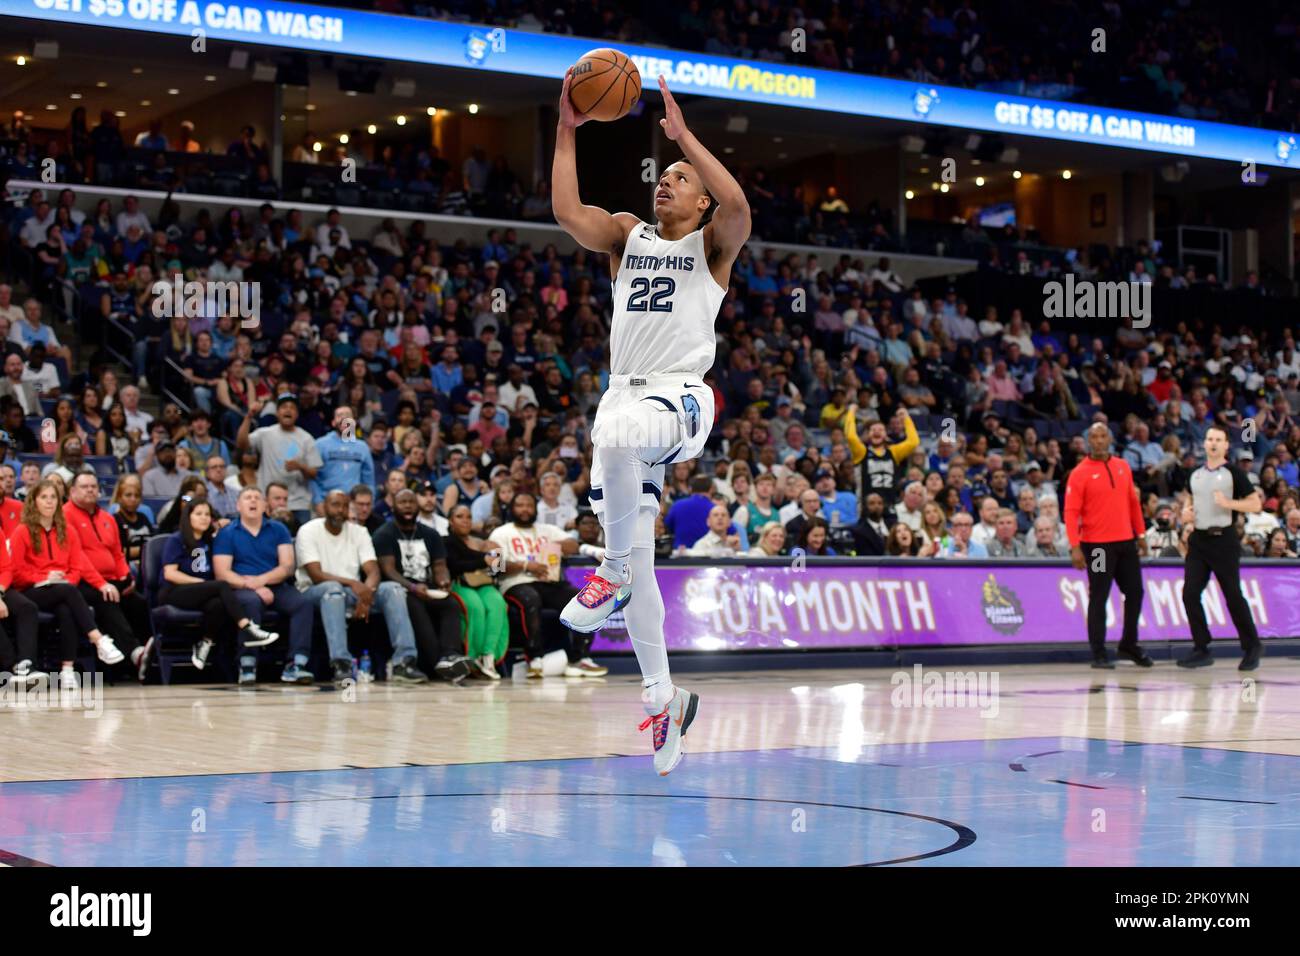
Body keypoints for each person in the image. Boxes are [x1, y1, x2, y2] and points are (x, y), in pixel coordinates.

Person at [551, 69, 746, 766]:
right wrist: (567, 129)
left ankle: (609, 570)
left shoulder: (712, 248)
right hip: (624, 394)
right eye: (661, 174)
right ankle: (665, 700)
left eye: (679, 178)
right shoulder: (625, 236)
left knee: (616, 435)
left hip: (682, 398)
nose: (665, 182)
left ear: (698, 205)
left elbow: (741, 204)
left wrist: (685, 136)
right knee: (638, 559)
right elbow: (567, 211)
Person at [8, 480, 144, 689]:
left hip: (61, 590)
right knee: (69, 593)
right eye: (43, 497)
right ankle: (99, 640)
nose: (49, 502)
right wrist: (42, 578)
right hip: (30, 590)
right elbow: (16, 571)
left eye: (53, 497)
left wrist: (69, 580)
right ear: (34, 502)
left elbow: (78, 565)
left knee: (66, 608)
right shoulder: (23, 531)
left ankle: (67, 670)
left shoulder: (68, 531)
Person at [297, 490, 429, 687]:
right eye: (334, 505)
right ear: (324, 507)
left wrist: (366, 596)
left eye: (344, 506)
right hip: (313, 592)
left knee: (393, 589)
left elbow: (373, 571)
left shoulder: (359, 532)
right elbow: (316, 575)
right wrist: (355, 585)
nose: (340, 510)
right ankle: (341, 664)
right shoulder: (308, 531)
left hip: (354, 592)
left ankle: (404, 662)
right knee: (333, 590)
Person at [1063, 422, 1152, 669]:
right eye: (1094, 437)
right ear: (1089, 441)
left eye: (1103, 436)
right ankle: (1099, 651)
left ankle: (1129, 644)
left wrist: (1141, 533)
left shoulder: (1123, 467)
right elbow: (1071, 512)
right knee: (1100, 595)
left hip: (1125, 542)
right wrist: (1075, 546)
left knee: (1135, 592)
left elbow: (1133, 504)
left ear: (1110, 439)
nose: (1099, 441)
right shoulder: (1079, 473)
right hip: (1098, 546)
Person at [1178, 425, 1264, 670]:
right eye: (1210, 439)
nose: (1213, 443)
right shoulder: (1195, 474)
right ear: (1204, 444)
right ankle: (1201, 647)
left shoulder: (1233, 473)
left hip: (1223, 540)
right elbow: (1189, 499)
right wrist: (1185, 512)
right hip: (1199, 540)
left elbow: (1256, 503)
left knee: (1232, 595)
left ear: (1226, 445)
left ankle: (1252, 645)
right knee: (1190, 593)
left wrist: (1229, 503)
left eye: (1218, 439)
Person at [491, 492, 604, 679]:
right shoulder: (501, 533)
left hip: (548, 582)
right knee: (531, 599)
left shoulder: (547, 530)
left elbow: (573, 545)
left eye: (529, 505)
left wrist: (552, 545)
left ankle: (580, 658)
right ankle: (534, 657)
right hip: (516, 583)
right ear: (512, 509)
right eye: (520, 505)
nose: (525, 509)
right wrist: (526, 565)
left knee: (583, 598)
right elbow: (496, 566)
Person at [160, 498, 280, 671]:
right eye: (198, 514)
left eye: (207, 514)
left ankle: (205, 642)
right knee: (221, 585)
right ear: (188, 517)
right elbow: (169, 573)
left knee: (218, 604)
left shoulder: (210, 541)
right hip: (174, 591)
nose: (204, 518)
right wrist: (201, 583)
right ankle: (247, 627)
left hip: (202, 591)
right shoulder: (177, 539)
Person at [373, 489, 480, 683]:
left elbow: (440, 566)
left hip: (427, 586)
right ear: (394, 507)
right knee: (416, 607)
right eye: (402, 502)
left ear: (418, 506)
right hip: (401, 589)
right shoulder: (384, 534)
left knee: (450, 603)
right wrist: (412, 588)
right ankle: (435, 662)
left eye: (411, 502)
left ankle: (451, 655)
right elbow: (389, 571)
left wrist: (443, 581)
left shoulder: (430, 534)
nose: (407, 506)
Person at [213, 486, 316, 685]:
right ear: (238, 505)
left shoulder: (278, 529)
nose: (252, 501)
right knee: (250, 603)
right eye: (247, 498)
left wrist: (262, 581)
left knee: (302, 603)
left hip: (274, 585)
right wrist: (252, 586)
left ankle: (297, 663)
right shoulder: (227, 533)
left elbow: (287, 566)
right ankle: (247, 663)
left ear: (265, 505)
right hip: (241, 586)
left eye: (257, 498)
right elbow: (222, 572)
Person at [64, 471, 155, 674]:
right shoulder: (65, 515)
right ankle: (134, 652)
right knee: (106, 597)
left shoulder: (106, 517)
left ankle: (150, 654)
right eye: (84, 486)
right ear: (72, 491)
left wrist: (127, 576)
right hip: (82, 581)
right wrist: (100, 583)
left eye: (93, 486)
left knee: (138, 602)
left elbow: (117, 552)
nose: (90, 490)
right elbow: (77, 556)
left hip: (111, 579)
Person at [441, 502, 508, 678]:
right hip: (460, 582)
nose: (465, 521)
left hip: (485, 583)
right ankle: (471, 658)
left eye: (469, 517)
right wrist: (482, 559)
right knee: (475, 607)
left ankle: (488, 655)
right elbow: (454, 565)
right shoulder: (446, 541)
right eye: (459, 517)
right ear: (450, 521)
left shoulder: (482, 542)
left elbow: (499, 570)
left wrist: (497, 552)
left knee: (498, 604)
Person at [237, 394, 322, 525]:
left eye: (292, 408)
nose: (288, 410)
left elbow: (314, 473)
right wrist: (249, 416)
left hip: (298, 503)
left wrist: (300, 467)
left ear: (297, 414)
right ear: (277, 413)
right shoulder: (264, 433)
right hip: (267, 502)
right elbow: (242, 444)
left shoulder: (306, 438)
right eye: (283, 407)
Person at [312, 405, 374, 512]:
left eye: (348, 415)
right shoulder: (320, 444)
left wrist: (369, 501)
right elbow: (312, 477)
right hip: (326, 502)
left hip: (354, 504)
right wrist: (318, 501)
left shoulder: (362, 447)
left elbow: (368, 480)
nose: (344, 419)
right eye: (340, 415)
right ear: (333, 422)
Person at [109, 473, 155, 561]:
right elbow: (119, 552)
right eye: (128, 495)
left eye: (137, 496)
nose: (133, 499)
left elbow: (153, 542)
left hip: (147, 561)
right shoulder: (115, 520)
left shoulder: (143, 517)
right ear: (119, 497)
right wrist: (145, 550)